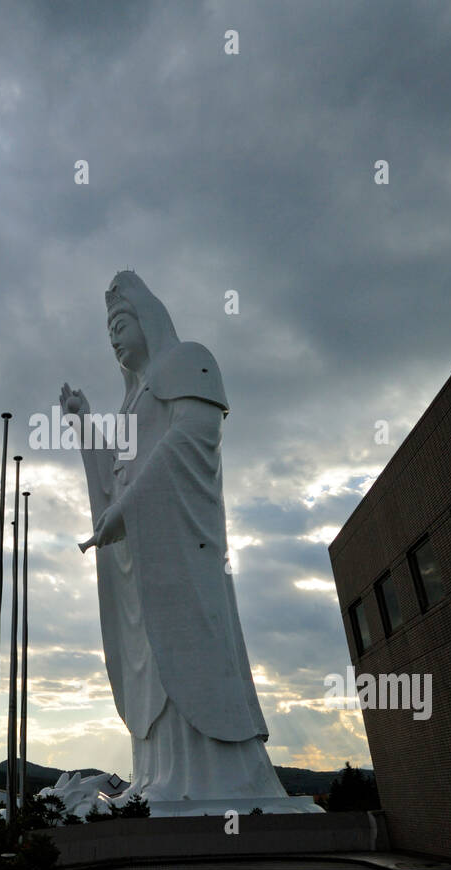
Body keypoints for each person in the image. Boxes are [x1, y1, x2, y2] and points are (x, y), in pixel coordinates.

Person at [62, 270, 287, 804]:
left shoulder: (188, 361)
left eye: (121, 323)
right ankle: (159, 780)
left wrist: (130, 510)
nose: (115, 337)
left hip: (183, 547)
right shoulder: (132, 402)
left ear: (149, 319)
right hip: (144, 558)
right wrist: (84, 424)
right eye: (108, 330)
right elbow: (120, 473)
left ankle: (218, 780)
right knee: (153, 667)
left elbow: (192, 437)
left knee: (193, 649)